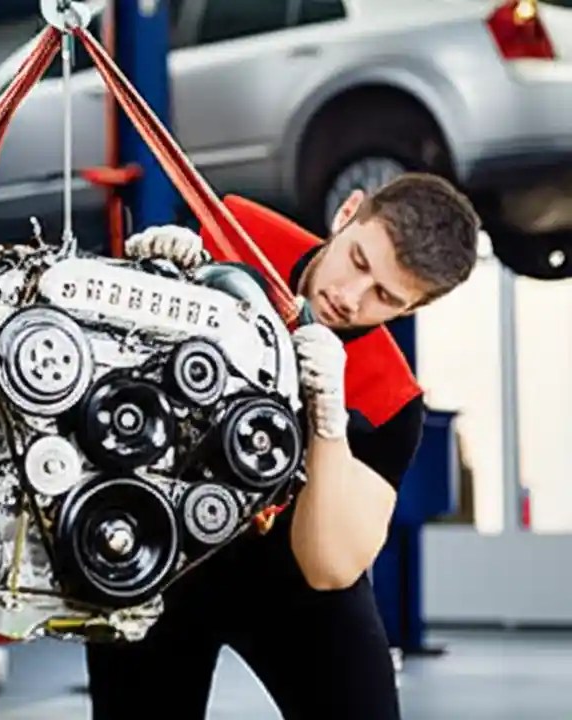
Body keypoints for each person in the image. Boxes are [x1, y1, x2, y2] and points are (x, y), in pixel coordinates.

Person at [86, 172, 481, 720]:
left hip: (284, 576)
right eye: (359, 261)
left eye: (385, 297)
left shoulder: (390, 401)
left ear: (411, 309)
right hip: (161, 547)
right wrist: (145, 281)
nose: (350, 297)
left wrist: (329, 421)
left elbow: (327, 567)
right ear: (348, 213)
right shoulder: (233, 233)